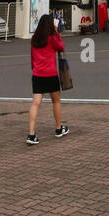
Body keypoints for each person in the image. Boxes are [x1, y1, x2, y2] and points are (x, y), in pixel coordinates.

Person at [27, 13, 69, 145]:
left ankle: (31, 134)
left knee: (36, 103)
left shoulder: (34, 39)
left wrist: (35, 69)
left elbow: (33, 59)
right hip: (50, 74)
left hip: (37, 74)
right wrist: (56, 33)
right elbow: (61, 47)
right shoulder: (52, 38)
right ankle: (58, 128)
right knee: (56, 101)